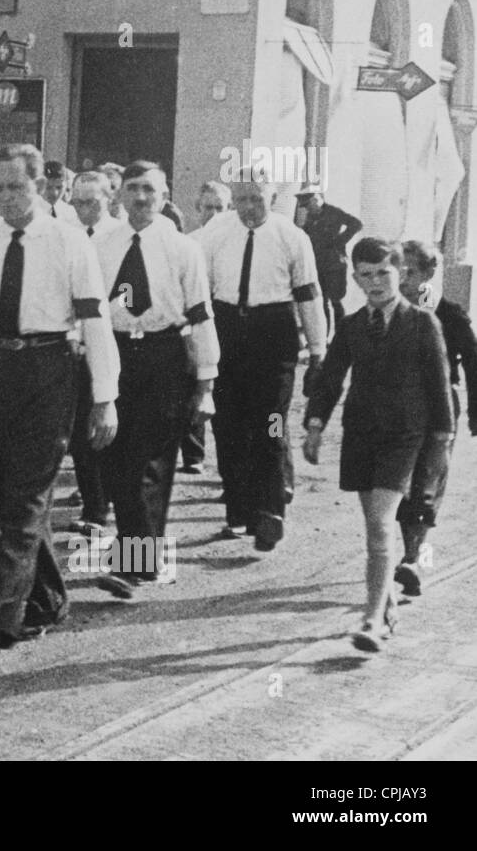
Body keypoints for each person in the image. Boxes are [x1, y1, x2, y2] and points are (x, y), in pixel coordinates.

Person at [0, 143, 120, 664]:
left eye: (17, 187)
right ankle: (50, 597)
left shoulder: (67, 242)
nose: (6, 198)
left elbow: (96, 320)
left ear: (39, 185)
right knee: (13, 495)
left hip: (49, 370)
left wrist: (105, 397)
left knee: (30, 498)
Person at [303, 238, 452, 652]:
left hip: (405, 438)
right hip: (362, 436)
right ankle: (385, 605)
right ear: (355, 279)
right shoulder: (351, 326)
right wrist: (315, 425)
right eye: (366, 275)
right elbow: (331, 377)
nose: (376, 282)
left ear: (400, 272)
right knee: (375, 528)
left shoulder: (423, 324)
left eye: (384, 272)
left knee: (381, 526)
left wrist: (438, 451)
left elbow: (440, 395)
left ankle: (371, 620)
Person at [91, 163, 218, 600]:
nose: (141, 198)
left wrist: (206, 384)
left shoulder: (184, 250)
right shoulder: (103, 245)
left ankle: (138, 563)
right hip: (116, 354)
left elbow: (201, 316)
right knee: (114, 458)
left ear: (165, 196)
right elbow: (90, 311)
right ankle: (138, 555)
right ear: (120, 196)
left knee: (151, 460)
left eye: (150, 189)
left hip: (165, 356)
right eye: (133, 189)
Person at [198, 172, 325, 550]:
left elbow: (308, 294)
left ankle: (270, 510)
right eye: (242, 200)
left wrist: (318, 350)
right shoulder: (216, 232)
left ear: (272, 198)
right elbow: (199, 292)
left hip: (274, 336)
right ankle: (238, 511)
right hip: (227, 333)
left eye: (257, 199)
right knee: (228, 426)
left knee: (272, 422)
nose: (249, 208)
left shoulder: (292, 237)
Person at [394, 240, 477, 596]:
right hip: (396, 410)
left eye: (411, 271)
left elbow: (473, 363)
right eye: (400, 269)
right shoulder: (388, 311)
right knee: (399, 482)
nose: (404, 278)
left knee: (427, 485)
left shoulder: (449, 315)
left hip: (439, 411)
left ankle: (414, 559)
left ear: (429, 273)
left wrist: (476, 410)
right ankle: (406, 555)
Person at [63, 171, 120, 532]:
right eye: (77, 201)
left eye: (91, 201)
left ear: (109, 200)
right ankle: (93, 507)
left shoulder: (119, 239)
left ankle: (111, 500)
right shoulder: (66, 238)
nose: (83, 208)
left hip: (116, 343)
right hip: (76, 346)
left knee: (109, 426)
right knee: (83, 432)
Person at [185, 181, 233, 483]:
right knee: (194, 383)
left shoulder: (234, 241)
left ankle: (233, 468)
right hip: (196, 318)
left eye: (219, 208)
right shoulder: (189, 243)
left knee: (227, 393)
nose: (213, 213)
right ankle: (193, 454)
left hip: (226, 320)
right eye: (208, 207)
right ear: (197, 209)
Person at [295, 189, 363, 335]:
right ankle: (324, 337)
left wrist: (340, 241)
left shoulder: (333, 212)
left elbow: (356, 224)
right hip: (319, 265)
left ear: (315, 200)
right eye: (304, 206)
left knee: (336, 301)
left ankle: (341, 336)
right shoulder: (311, 217)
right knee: (322, 302)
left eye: (307, 205)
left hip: (334, 265)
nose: (306, 208)